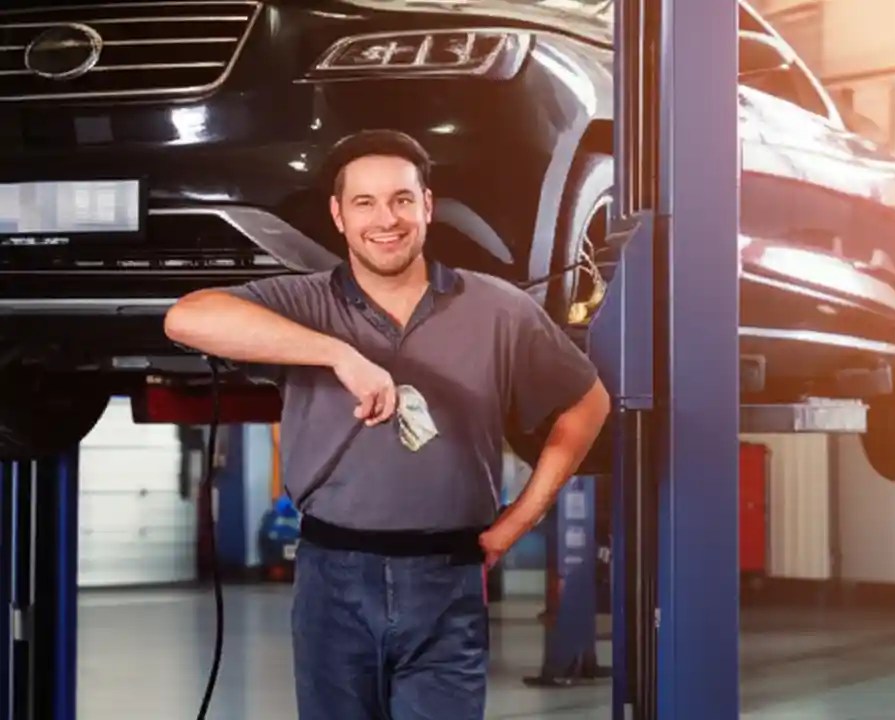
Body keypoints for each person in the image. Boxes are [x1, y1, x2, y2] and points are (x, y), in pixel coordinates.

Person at [163, 129, 611, 719]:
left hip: (447, 581)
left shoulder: (499, 309)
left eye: (402, 199)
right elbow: (185, 318)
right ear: (339, 216)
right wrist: (337, 354)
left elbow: (588, 403)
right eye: (365, 203)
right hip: (332, 581)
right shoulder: (306, 304)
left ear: (427, 205)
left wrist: (517, 522)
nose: (386, 219)